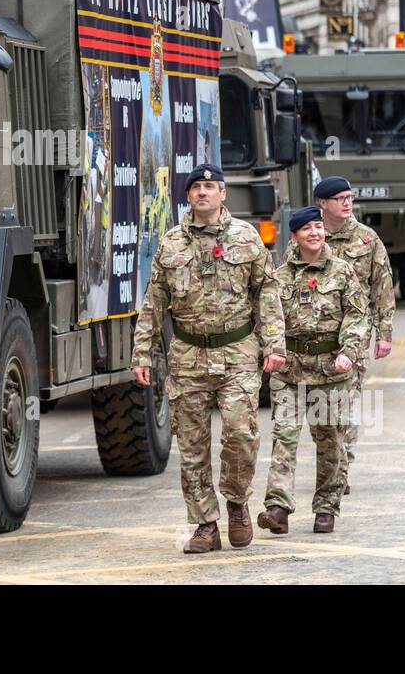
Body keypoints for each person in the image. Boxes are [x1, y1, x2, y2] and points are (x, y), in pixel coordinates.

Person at [131, 163, 286, 554]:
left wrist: (275, 345)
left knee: (240, 435)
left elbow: (267, 293)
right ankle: (204, 524)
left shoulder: (247, 238)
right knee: (192, 447)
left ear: (223, 194)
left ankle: (237, 504)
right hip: (187, 358)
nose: (203, 192)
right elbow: (153, 304)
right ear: (187, 196)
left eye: (210, 186)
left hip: (237, 355)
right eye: (196, 187)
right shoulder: (171, 244)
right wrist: (142, 353)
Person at [259, 206, 368, 536]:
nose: (314, 233)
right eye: (306, 228)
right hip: (290, 371)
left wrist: (349, 351)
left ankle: (326, 507)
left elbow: (357, 316)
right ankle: (277, 507)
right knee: (284, 436)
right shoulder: (279, 277)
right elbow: (270, 319)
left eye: (318, 227)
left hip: (330, 372)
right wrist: (273, 350)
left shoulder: (343, 272)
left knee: (329, 442)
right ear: (294, 236)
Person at [314, 176, 393, 496]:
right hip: (316, 337)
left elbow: (383, 287)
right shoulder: (308, 236)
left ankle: (339, 469)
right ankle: (330, 463)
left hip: (354, 335)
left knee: (344, 404)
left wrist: (384, 333)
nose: (347, 203)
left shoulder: (367, 239)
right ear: (323, 204)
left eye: (350, 197)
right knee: (321, 407)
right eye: (340, 198)